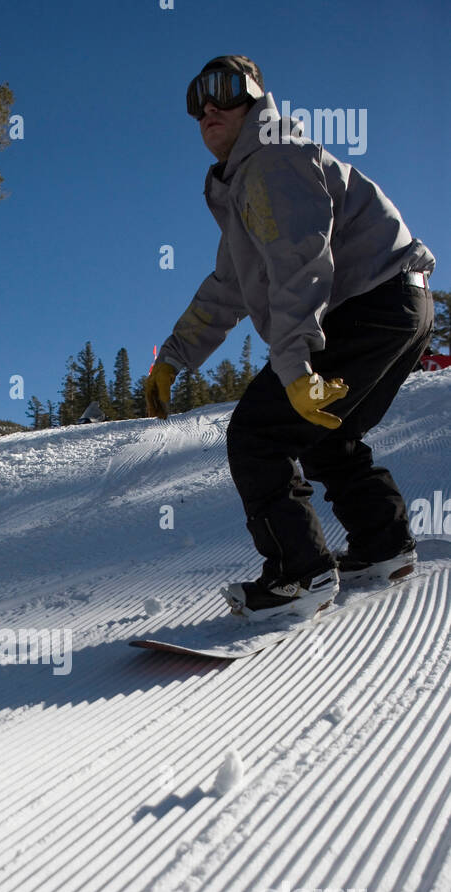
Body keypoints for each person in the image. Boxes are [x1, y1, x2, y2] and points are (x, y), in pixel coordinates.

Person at [145, 55, 435, 619]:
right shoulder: (245, 183)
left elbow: (301, 263)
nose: (208, 107)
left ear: (255, 98)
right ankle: (383, 545)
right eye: (196, 99)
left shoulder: (271, 160)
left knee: (259, 433)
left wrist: (297, 365)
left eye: (225, 91)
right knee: (330, 430)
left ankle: (299, 574)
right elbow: (228, 287)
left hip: (371, 300)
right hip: (400, 301)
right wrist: (173, 359)